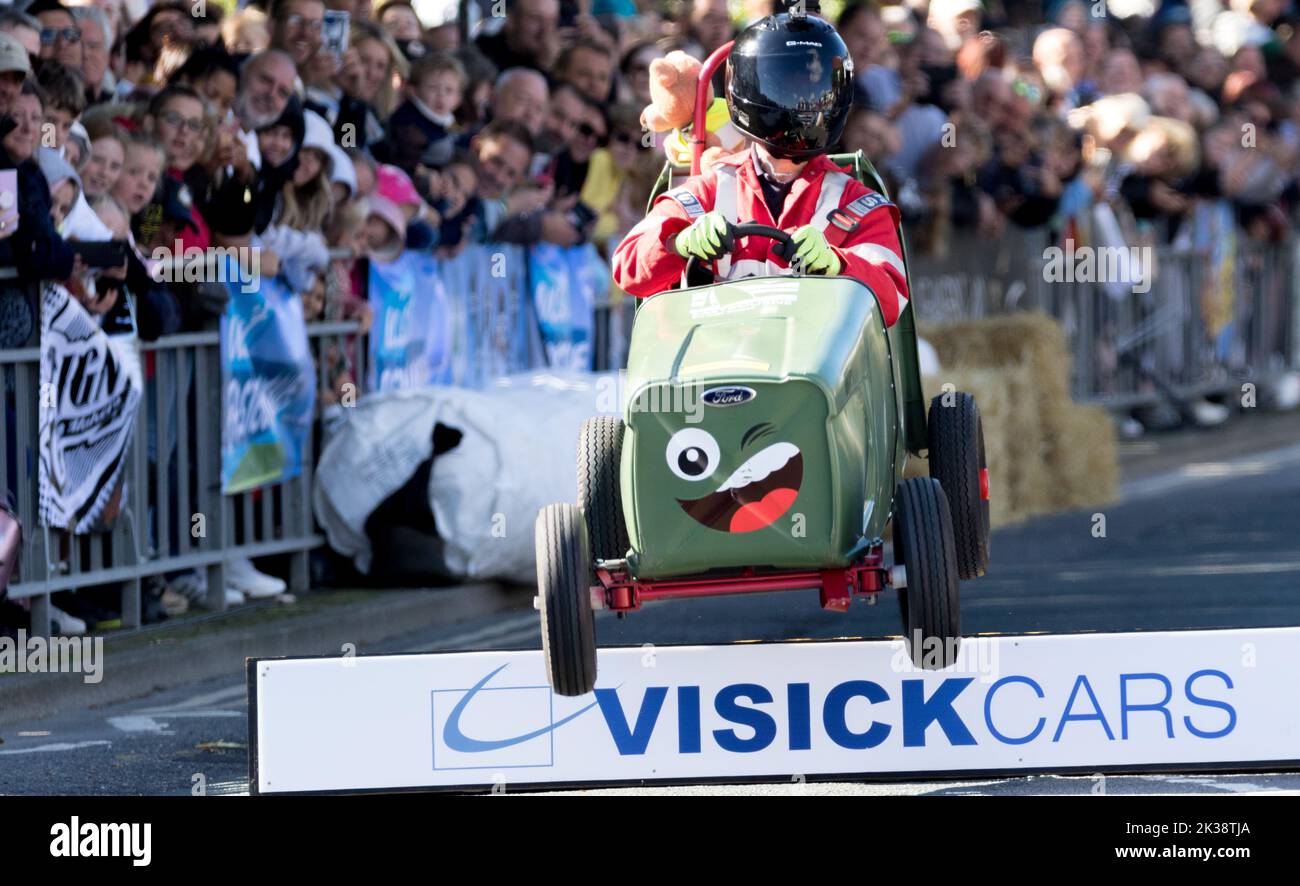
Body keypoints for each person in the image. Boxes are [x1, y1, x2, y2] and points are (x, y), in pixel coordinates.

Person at [612, 11, 910, 328]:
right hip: (719, 367)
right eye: (792, 82)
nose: (808, 99)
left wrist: (838, 264)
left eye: (818, 82)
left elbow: (892, 299)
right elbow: (627, 267)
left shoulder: (859, 205)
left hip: (815, 372)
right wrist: (677, 243)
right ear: (753, 87)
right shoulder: (711, 187)